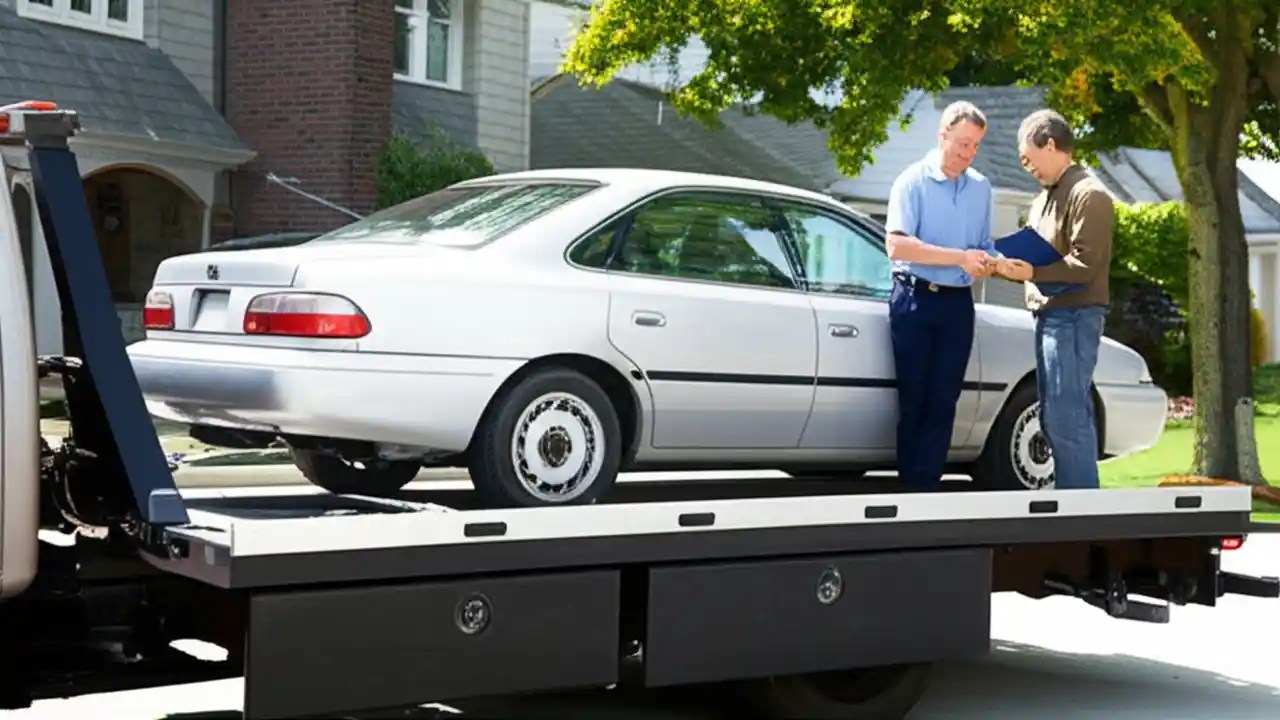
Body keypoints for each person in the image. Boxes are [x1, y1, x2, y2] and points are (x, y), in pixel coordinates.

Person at [995, 109, 1114, 490]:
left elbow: (1085, 265)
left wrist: (1032, 273)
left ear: (1050, 144)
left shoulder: (1089, 194)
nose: (1024, 164)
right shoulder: (1044, 199)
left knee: (1067, 417)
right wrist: (1000, 265)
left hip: (1075, 318)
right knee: (1053, 417)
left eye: (1027, 155)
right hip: (1049, 318)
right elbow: (1038, 255)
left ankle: (1081, 515)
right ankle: (1072, 508)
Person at [884, 101, 997, 492]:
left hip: (957, 305)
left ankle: (926, 492)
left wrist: (993, 262)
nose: (968, 153)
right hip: (914, 300)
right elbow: (897, 247)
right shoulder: (911, 181)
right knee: (914, 399)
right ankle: (908, 490)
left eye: (976, 146)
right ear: (943, 134)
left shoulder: (980, 188)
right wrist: (959, 257)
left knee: (944, 401)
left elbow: (983, 246)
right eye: (963, 143)